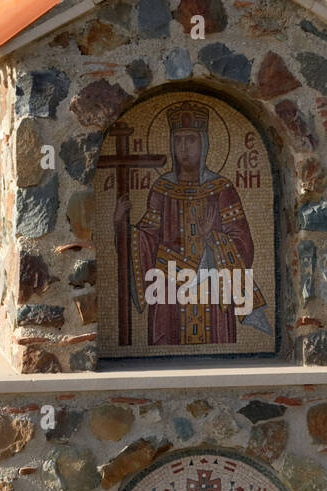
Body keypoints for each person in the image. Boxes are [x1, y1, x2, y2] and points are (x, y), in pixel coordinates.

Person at [113, 102, 270, 346]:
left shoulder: (222, 189)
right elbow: (146, 239)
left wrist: (212, 238)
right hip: (169, 289)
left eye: (191, 140)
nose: (184, 148)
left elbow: (243, 243)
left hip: (211, 284)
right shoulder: (162, 189)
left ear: (204, 144)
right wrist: (121, 227)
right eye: (178, 141)